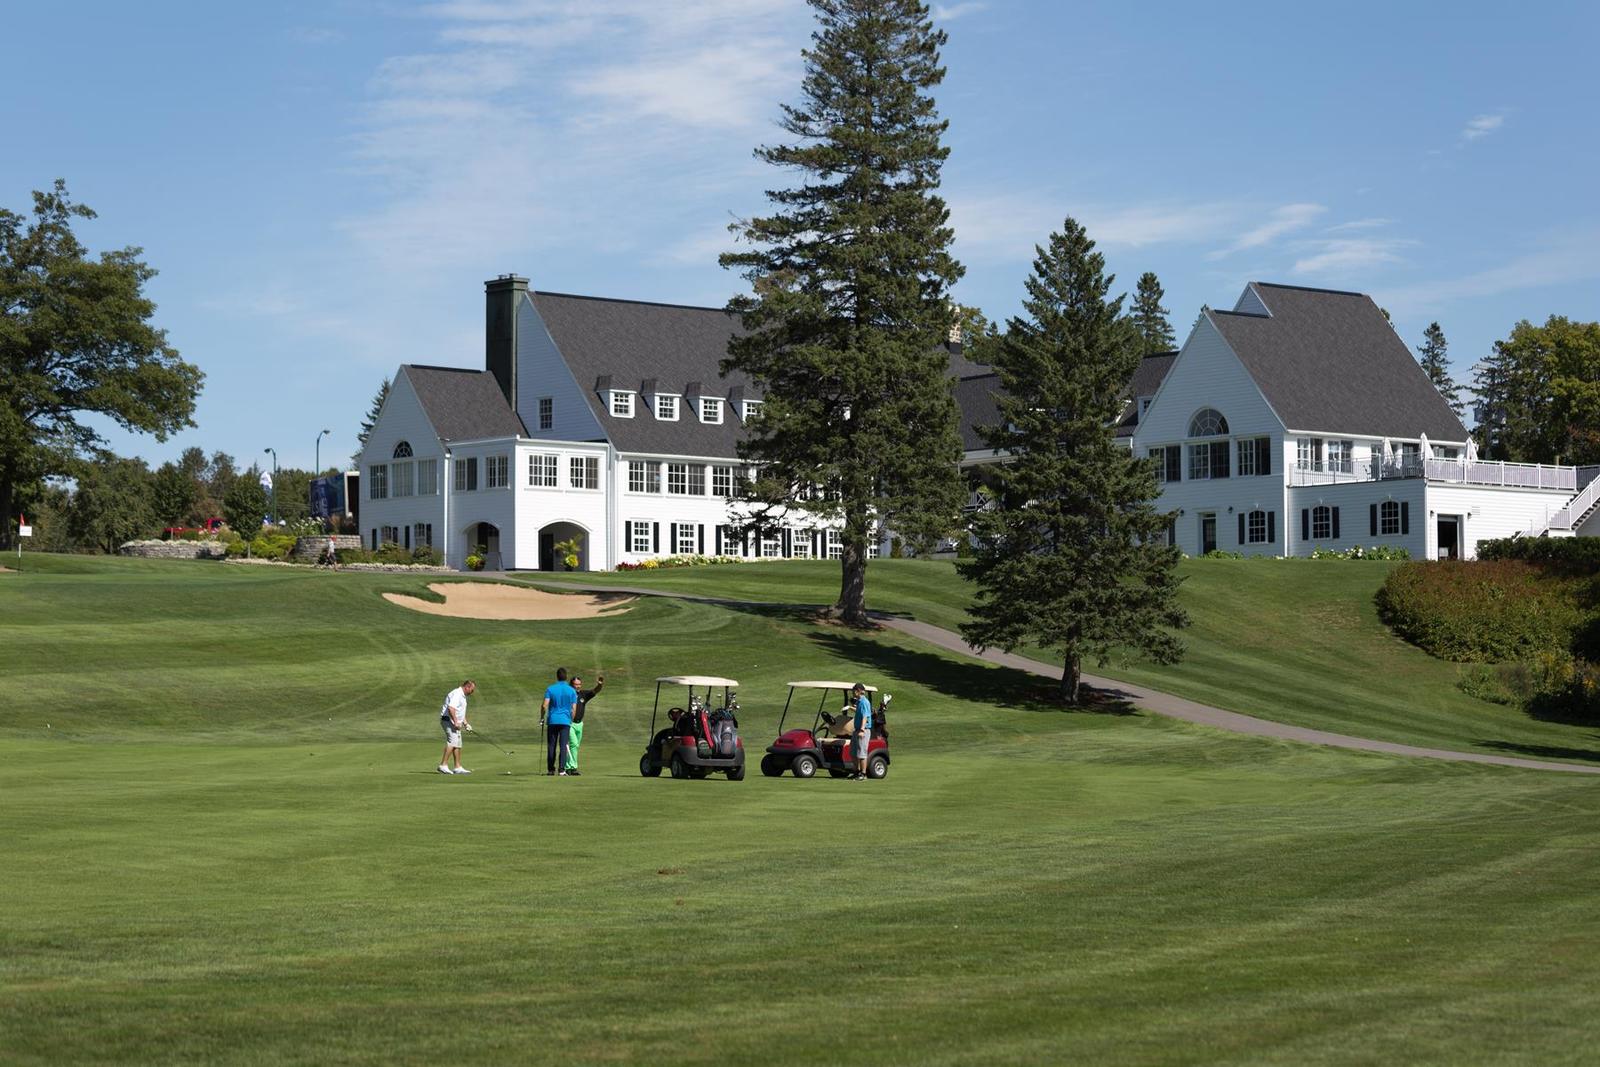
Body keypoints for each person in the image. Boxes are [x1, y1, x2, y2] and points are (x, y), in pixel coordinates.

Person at [564, 673, 605, 776]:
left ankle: (569, 767)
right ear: (571, 685)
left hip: (579, 724)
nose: (578, 686)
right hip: (570, 723)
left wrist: (600, 685)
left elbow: (595, 691)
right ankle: (571, 768)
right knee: (573, 744)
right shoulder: (567, 695)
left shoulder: (583, 694)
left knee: (575, 746)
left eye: (579, 684)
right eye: (575, 684)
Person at [540, 667, 578, 777]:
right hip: (565, 721)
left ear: (557, 676)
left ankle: (551, 770)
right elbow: (573, 709)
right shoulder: (571, 690)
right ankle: (562, 770)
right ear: (566, 677)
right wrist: (571, 720)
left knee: (551, 746)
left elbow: (544, 705)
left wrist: (542, 717)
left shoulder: (551, 689)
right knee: (563, 745)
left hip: (552, 720)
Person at [438, 680, 476, 775]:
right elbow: (451, 708)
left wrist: (466, 724)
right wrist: (455, 722)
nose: (472, 692)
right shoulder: (457, 694)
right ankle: (443, 765)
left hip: (454, 721)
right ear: (467, 687)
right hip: (448, 720)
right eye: (471, 690)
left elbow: (460, 712)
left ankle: (457, 767)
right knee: (453, 741)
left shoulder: (463, 696)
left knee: (458, 743)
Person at [850, 682, 873, 780]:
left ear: (858, 691)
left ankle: (863, 774)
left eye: (854, 691)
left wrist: (862, 730)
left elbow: (865, 717)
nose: (853, 693)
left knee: (862, 753)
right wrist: (851, 708)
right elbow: (860, 712)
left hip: (863, 730)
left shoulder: (864, 702)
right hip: (857, 730)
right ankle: (857, 772)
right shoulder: (859, 702)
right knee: (854, 752)